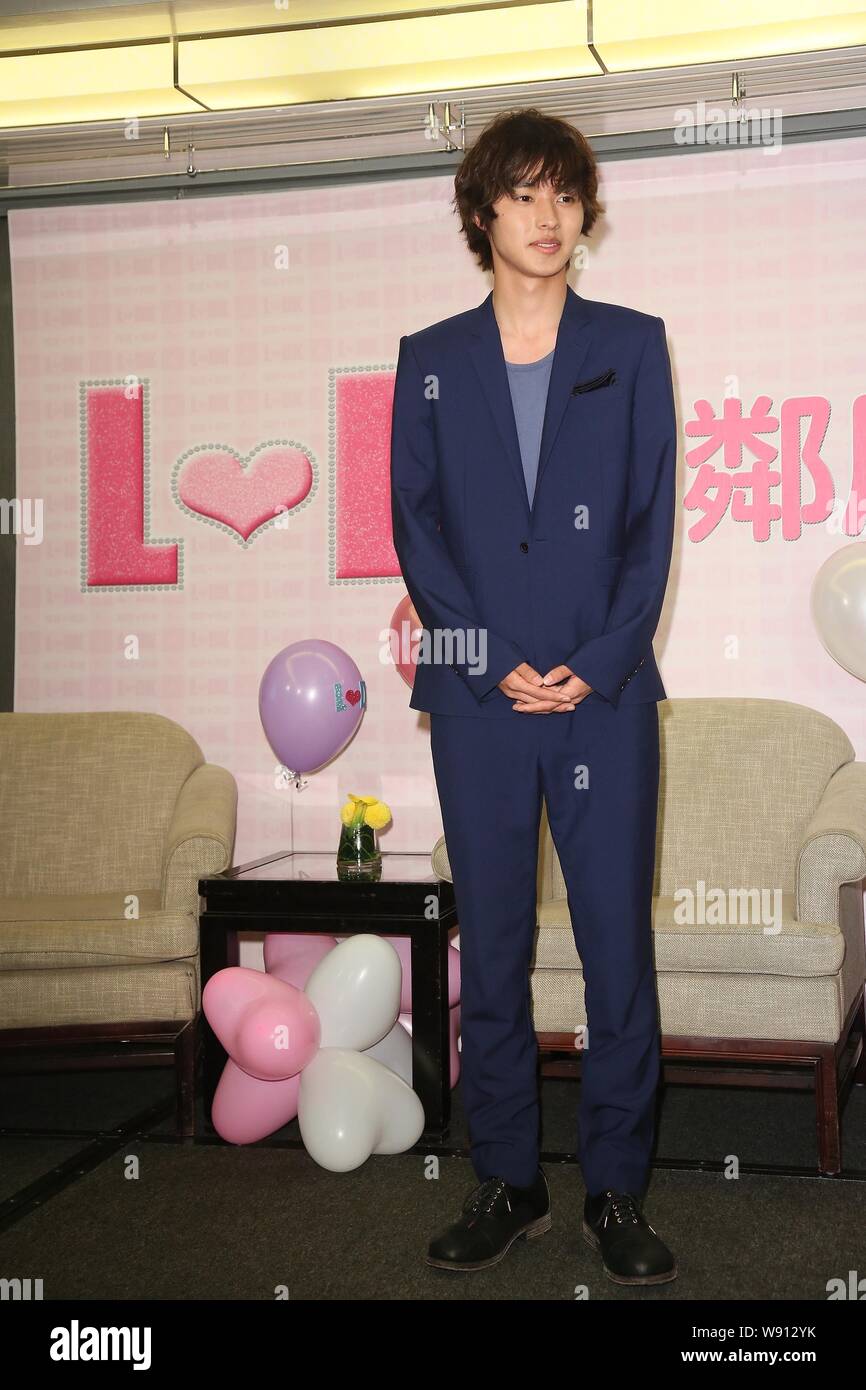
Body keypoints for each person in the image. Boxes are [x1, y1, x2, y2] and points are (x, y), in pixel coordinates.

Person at [389, 108, 677, 1285]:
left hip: (601, 696)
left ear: (581, 210)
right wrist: (486, 648)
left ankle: (615, 1192)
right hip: (476, 697)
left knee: (615, 956)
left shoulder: (630, 342)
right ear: (481, 213)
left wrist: (595, 658)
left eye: (562, 193)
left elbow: (647, 526)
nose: (545, 215)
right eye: (520, 193)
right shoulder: (429, 358)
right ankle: (507, 1181)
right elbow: (419, 527)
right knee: (493, 950)